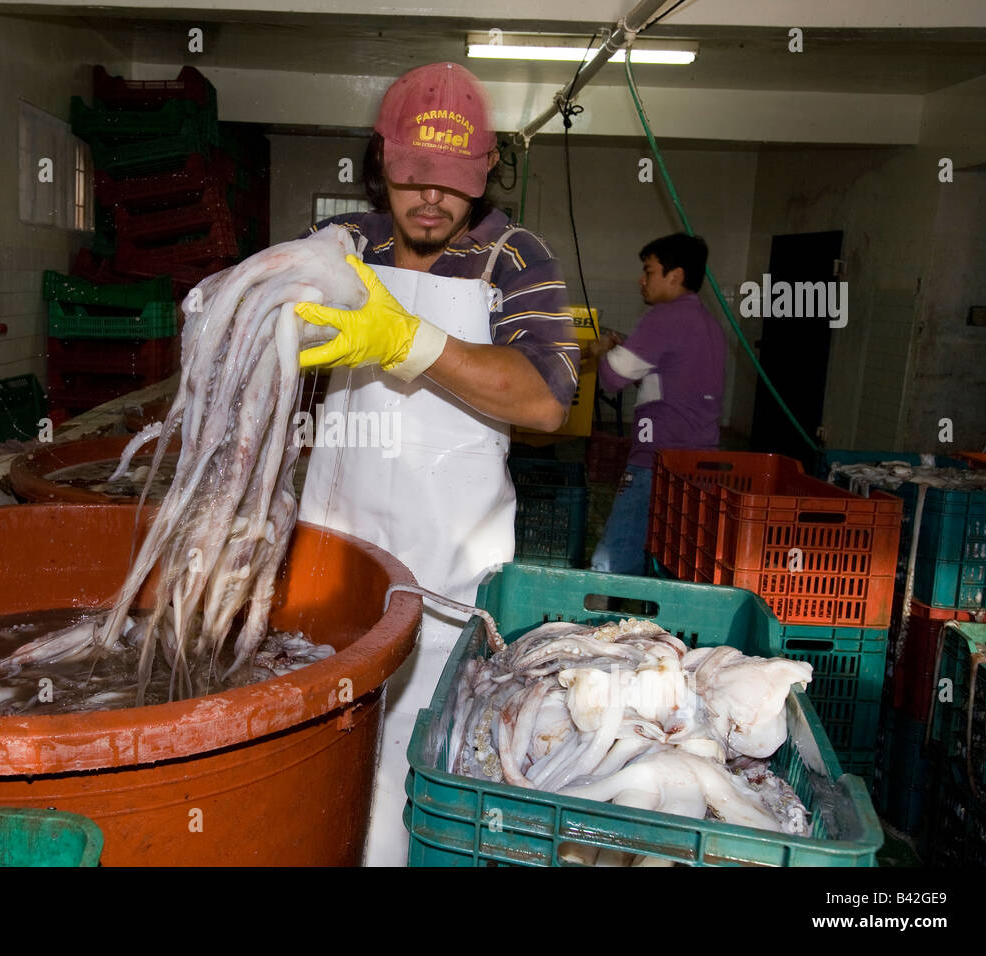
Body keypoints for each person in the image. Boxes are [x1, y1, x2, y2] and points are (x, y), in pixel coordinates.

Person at [293, 62, 580, 866]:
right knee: (328, 734)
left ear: (487, 173)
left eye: (452, 184)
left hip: (451, 563)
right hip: (334, 548)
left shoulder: (514, 258)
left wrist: (410, 343)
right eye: (412, 177)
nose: (429, 200)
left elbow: (547, 399)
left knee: (428, 751)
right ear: (377, 163)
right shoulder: (346, 245)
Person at [589, 233, 726, 576]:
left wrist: (604, 351)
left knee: (612, 561)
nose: (642, 280)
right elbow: (669, 383)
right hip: (700, 464)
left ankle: (601, 628)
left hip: (656, 460)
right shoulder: (710, 325)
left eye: (649, 272)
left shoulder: (664, 317)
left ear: (674, 275)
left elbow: (613, 377)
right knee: (672, 556)